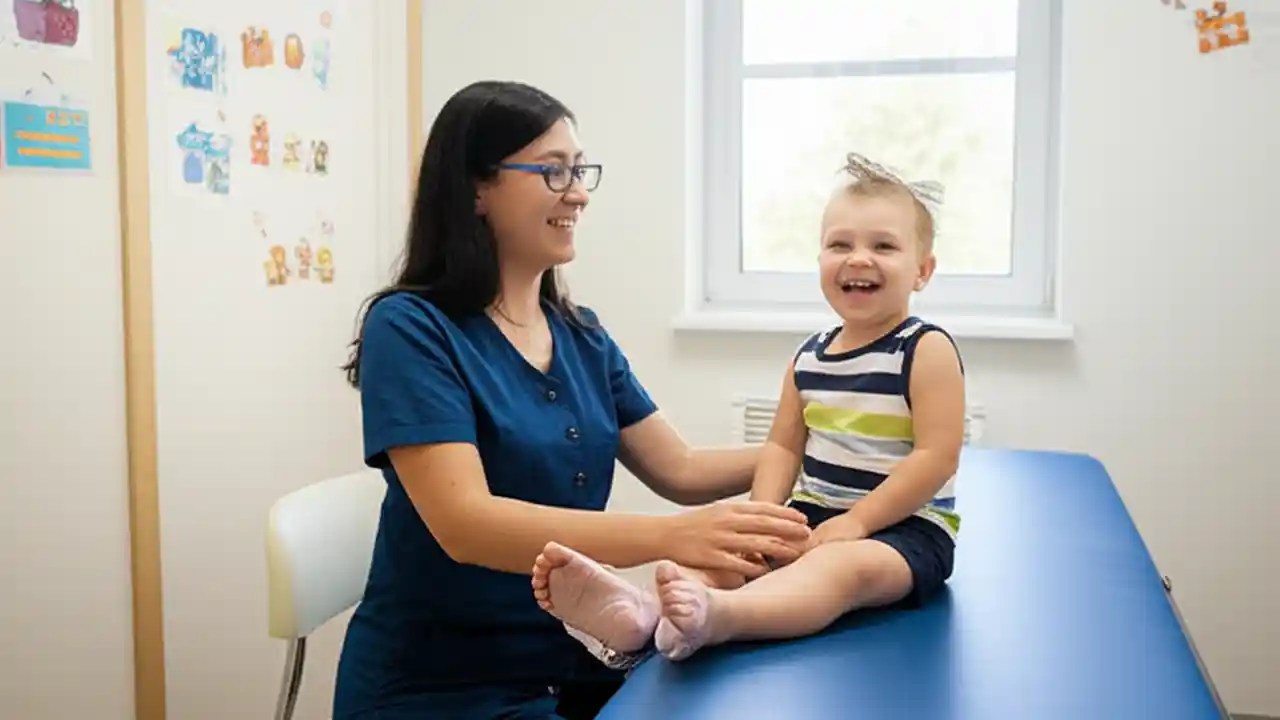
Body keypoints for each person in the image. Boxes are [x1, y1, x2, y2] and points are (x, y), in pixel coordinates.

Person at [331, 79, 812, 719]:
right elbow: (467, 525)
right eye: (553, 171)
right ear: (477, 189)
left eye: (580, 170)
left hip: (558, 663)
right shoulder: (412, 329)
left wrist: (815, 446)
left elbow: (682, 468)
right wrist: (672, 537)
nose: (578, 192)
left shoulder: (580, 334)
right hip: (437, 688)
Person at [532, 152, 965, 662]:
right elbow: (782, 445)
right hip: (814, 513)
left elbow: (936, 458)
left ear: (923, 271)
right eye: (839, 245)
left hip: (905, 530)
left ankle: (722, 617)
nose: (858, 258)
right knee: (732, 557)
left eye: (884, 246)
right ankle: (645, 614)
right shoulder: (810, 356)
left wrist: (858, 523)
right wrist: (761, 518)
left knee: (838, 571)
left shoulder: (924, 348)